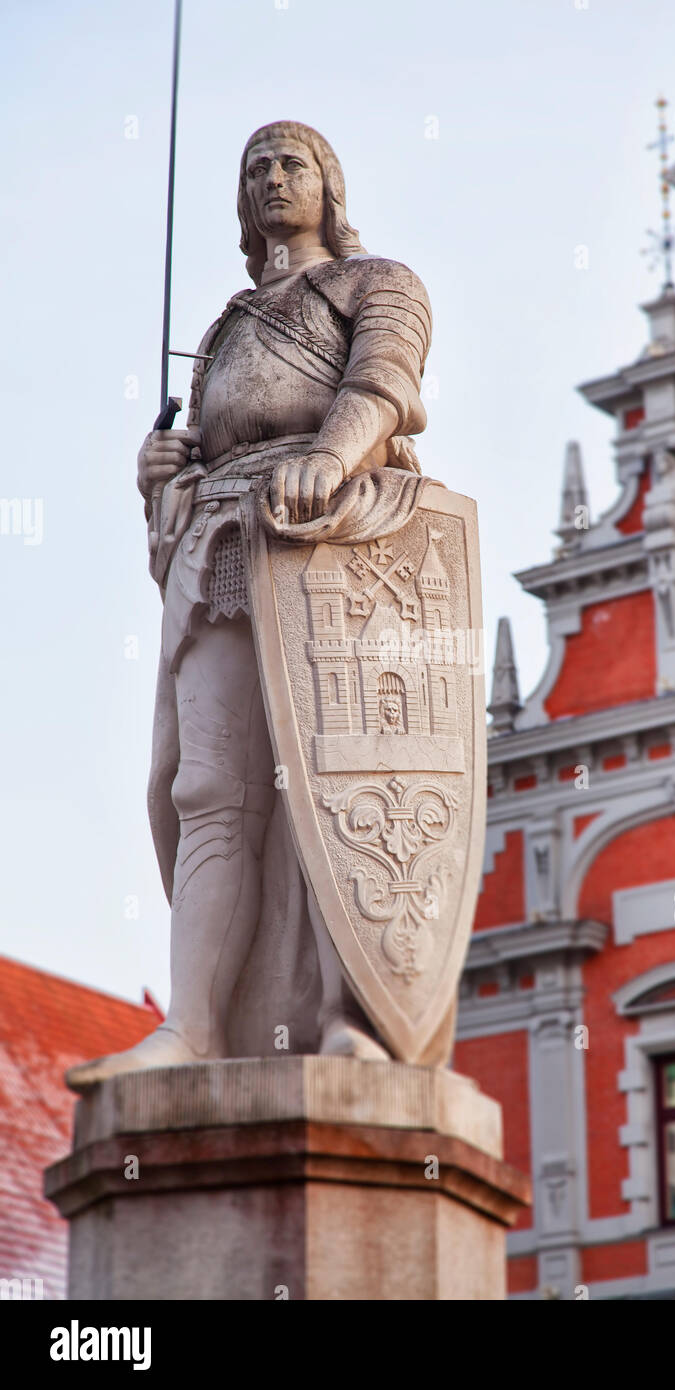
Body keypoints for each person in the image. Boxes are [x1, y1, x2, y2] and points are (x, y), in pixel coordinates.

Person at [67, 121, 433, 1087]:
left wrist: (329, 453)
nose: (273, 178)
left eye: (292, 163)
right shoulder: (225, 326)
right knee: (209, 792)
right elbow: (200, 451)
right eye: (256, 168)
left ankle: (353, 1014)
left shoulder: (377, 283)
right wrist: (160, 475)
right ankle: (191, 1026)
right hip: (222, 539)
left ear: (329, 185)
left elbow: (385, 384)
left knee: (337, 782)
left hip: (334, 536)